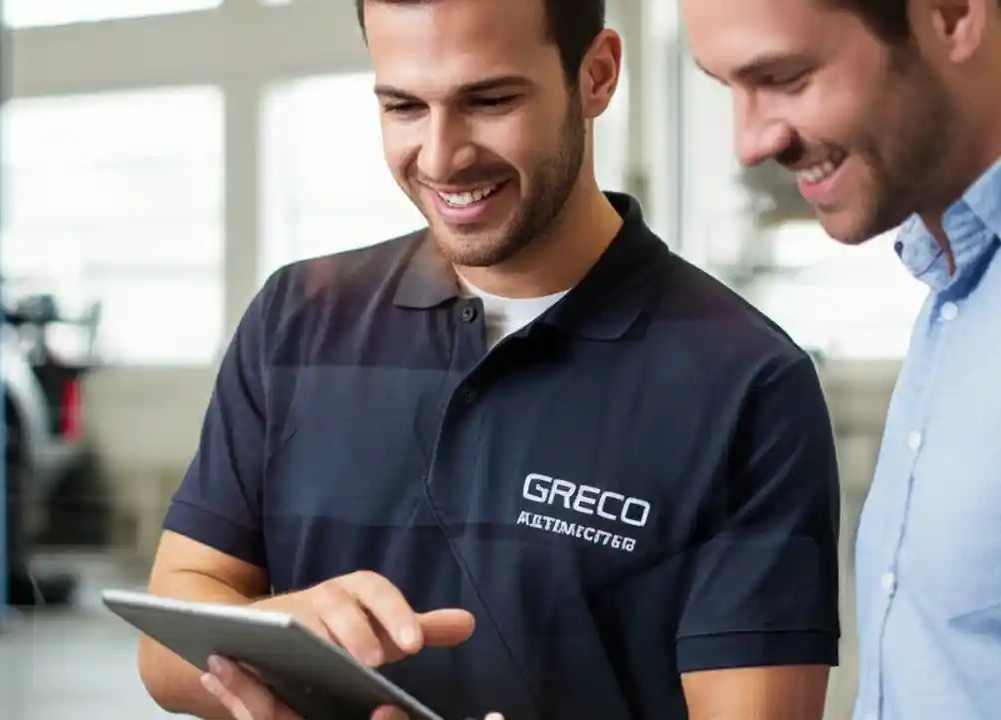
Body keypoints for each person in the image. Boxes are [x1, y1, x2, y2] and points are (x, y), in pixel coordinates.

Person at [137, 0, 843, 718]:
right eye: (404, 107)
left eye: (490, 100)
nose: (442, 157)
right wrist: (284, 637)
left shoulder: (745, 382)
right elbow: (165, 643)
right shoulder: (297, 319)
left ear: (596, 76)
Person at [680, 0, 1001, 718]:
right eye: (725, 86)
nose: (750, 142)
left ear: (953, 14)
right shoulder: (971, 273)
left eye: (786, 77)